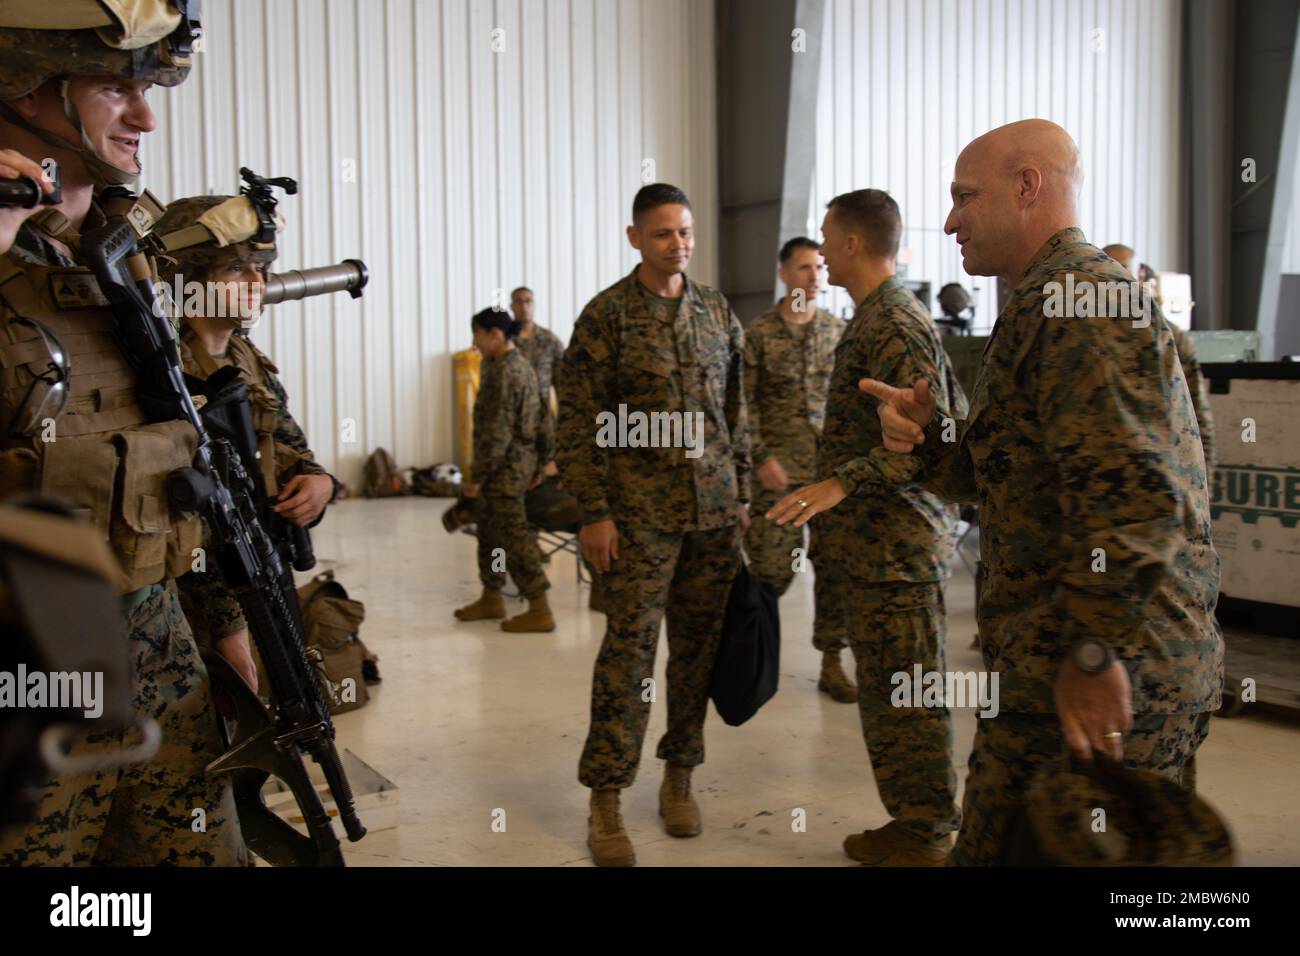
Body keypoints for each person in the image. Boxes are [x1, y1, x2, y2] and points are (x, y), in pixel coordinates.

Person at [775, 119, 1223, 865]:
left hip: (1101, 675)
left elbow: (1141, 502)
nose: (949, 219)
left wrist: (1089, 652)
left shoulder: (1080, 304)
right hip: (1055, 666)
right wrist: (932, 435)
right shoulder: (1043, 302)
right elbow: (1015, 474)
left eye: (963, 197)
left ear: (1027, 187)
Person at [0, 3, 249, 865]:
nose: (146, 116)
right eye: (116, 88)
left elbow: (182, 448)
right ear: (24, 87)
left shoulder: (121, 249)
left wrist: (221, 618)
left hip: (154, 625)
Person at [558, 183, 750, 867]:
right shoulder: (606, 317)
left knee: (696, 654)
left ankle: (680, 777)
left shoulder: (717, 311)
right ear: (636, 238)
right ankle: (607, 797)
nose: (680, 244)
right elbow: (578, 423)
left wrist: (745, 494)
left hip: (713, 514)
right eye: (665, 233)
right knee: (629, 657)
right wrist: (595, 511)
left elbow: (735, 411)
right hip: (637, 518)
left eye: (687, 232)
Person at [773, 190, 968, 864]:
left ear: (853, 243)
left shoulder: (893, 323)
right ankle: (919, 820)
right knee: (892, 689)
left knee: (908, 691)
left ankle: (926, 828)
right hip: (875, 544)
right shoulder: (876, 317)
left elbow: (922, 439)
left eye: (828, 237)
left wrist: (838, 484)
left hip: (898, 544)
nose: (821, 251)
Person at [150, 193, 341, 670]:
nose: (258, 282)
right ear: (189, 279)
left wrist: (319, 481)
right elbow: (173, 513)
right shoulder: (161, 371)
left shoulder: (244, 356)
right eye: (238, 269)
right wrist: (226, 625)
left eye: (261, 267)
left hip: (263, 570)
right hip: (195, 601)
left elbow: (288, 443)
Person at [742, 237, 852, 702]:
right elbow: (740, 405)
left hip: (830, 475)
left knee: (834, 568)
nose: (816, 276)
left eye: (821, 268)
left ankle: (831, 661)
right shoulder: (760, 335)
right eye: (805, 268)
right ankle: (754, 657)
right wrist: (759, 456)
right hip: (778, 474)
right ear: (785, 274)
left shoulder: (838, 330)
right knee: (769, 568)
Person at [455, 307, 554, 633]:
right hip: (516, 465)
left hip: (505, 470)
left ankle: (539, 607)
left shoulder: (504, 372)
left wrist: (476, 479)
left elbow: (496, 432)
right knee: (491, 533)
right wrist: (541, 462)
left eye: (477, 335)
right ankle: (492, 595)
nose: (474, 342)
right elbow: (544, 420)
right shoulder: (519, 366)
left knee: (515, 537)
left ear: (494, 334)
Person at [1102, 244, 1215, 468]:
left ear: (1141, 276)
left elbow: (1197, 417)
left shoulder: (1170, 337)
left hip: (1160, 474)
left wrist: (1205, 485)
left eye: (1123, 268)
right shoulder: (1085, 335)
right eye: (1106, 267)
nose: (1114, 276)